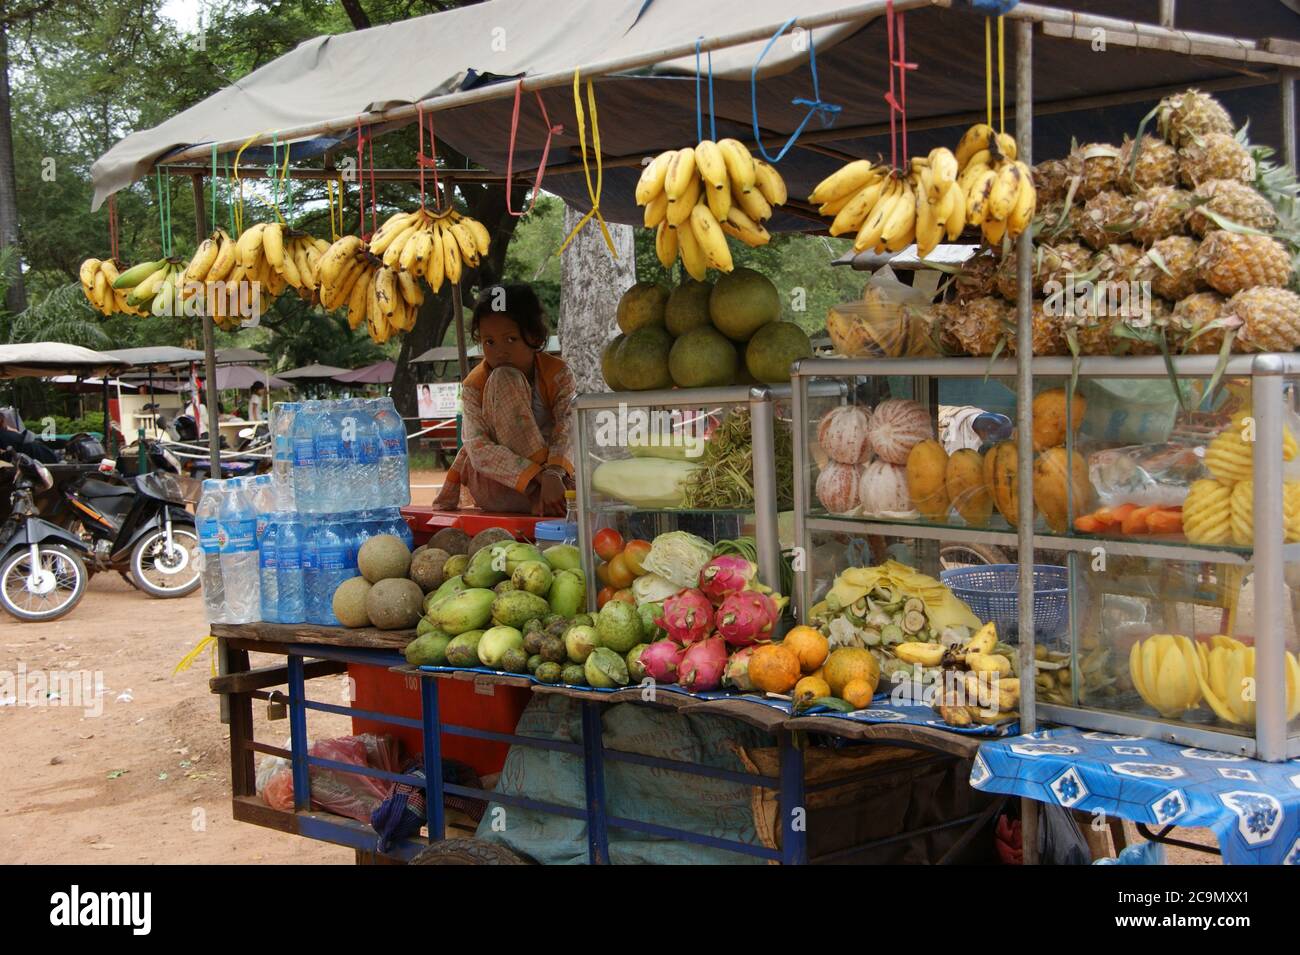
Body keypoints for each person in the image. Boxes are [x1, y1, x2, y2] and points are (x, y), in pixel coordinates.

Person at [432, 284, 574, 516]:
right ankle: (542, 498)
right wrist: (540, 475)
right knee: (503, 378)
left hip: (555, 480)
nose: (500, 351)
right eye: (490, 342)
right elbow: (478, 449)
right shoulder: (473, 385)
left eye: (510, 339)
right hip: (497, 485)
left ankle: (549, 498)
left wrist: (554, 472)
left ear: (534, 336)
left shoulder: (558, 374)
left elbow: (567, 428)